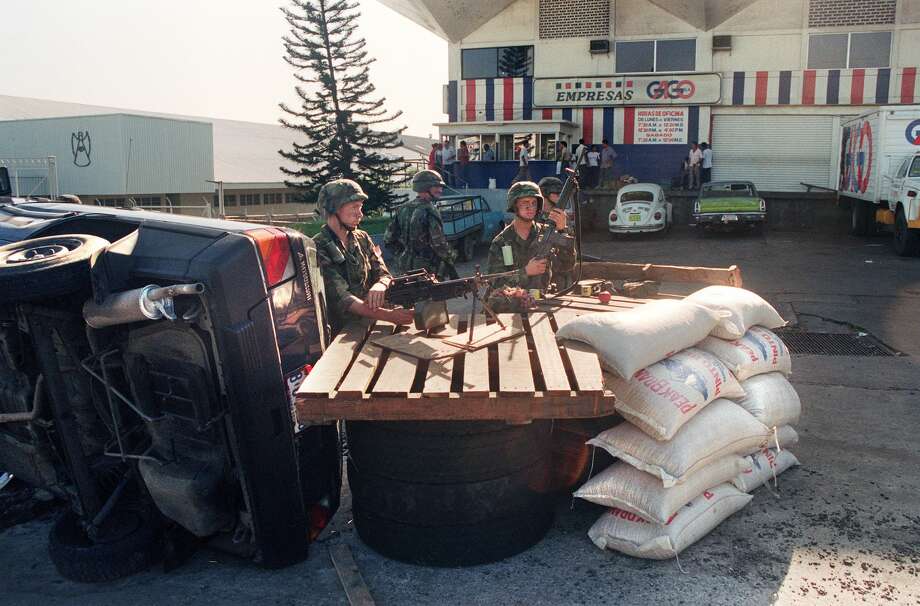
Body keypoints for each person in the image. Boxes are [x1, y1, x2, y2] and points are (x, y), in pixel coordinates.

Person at [313, 179, 414, 334]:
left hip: (373, 323)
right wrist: (389, 316)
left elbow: (384, 274)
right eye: (355, 207)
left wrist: (380, 285)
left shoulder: (362, 237)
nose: (360, 214)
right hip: (344, 332)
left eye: (360, 207)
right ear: (334, 209)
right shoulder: (318, 246)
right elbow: (343, 298)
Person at [485, 181, 575, 312]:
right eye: (524, 203)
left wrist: (562, 231)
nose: (530, 207)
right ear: (514, 205)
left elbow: (567, 265)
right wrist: (526, 271)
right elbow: (496, 281)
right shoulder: (502, 242)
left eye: (533, 203)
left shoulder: (546, 235)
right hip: (507, 308)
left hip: (539, 303)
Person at [403, 170, 457, 281]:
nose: (440, 190)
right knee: (436, 297)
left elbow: (389, 240)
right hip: (429, 270)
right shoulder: (430, 210)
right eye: (437, 187)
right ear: (425, 187)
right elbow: (439, 245)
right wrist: (451, 263)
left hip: (407, 268)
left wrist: (403, 257)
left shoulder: (402, 209)